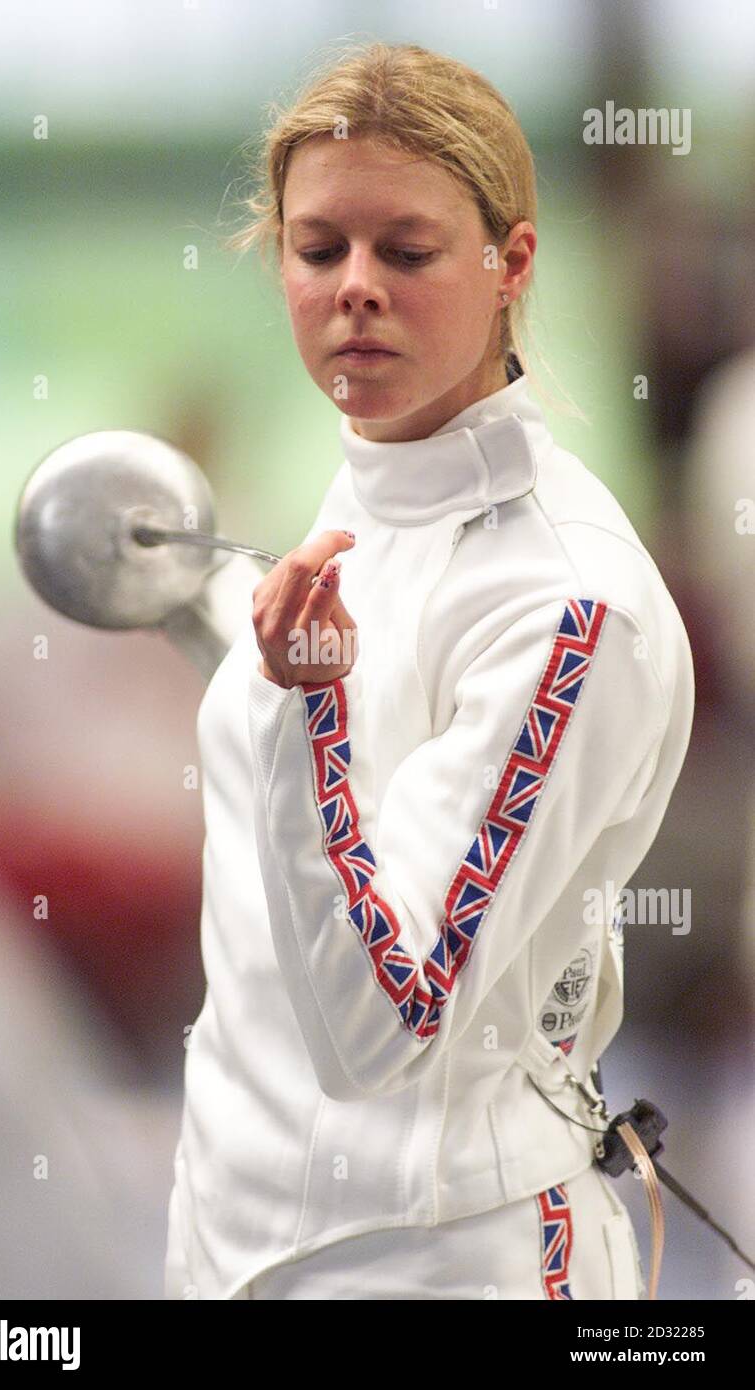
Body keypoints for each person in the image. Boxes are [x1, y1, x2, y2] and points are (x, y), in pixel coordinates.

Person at [163, 40, 694, 1300]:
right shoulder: (379, 481)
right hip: (230, 1241)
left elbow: (377, 1023)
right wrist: (185, 602)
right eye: (318, 249)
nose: (356, 289)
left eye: (405, 252)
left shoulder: (570, 604)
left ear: (511, 263)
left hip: (447, 1260)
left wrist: (305, 709)